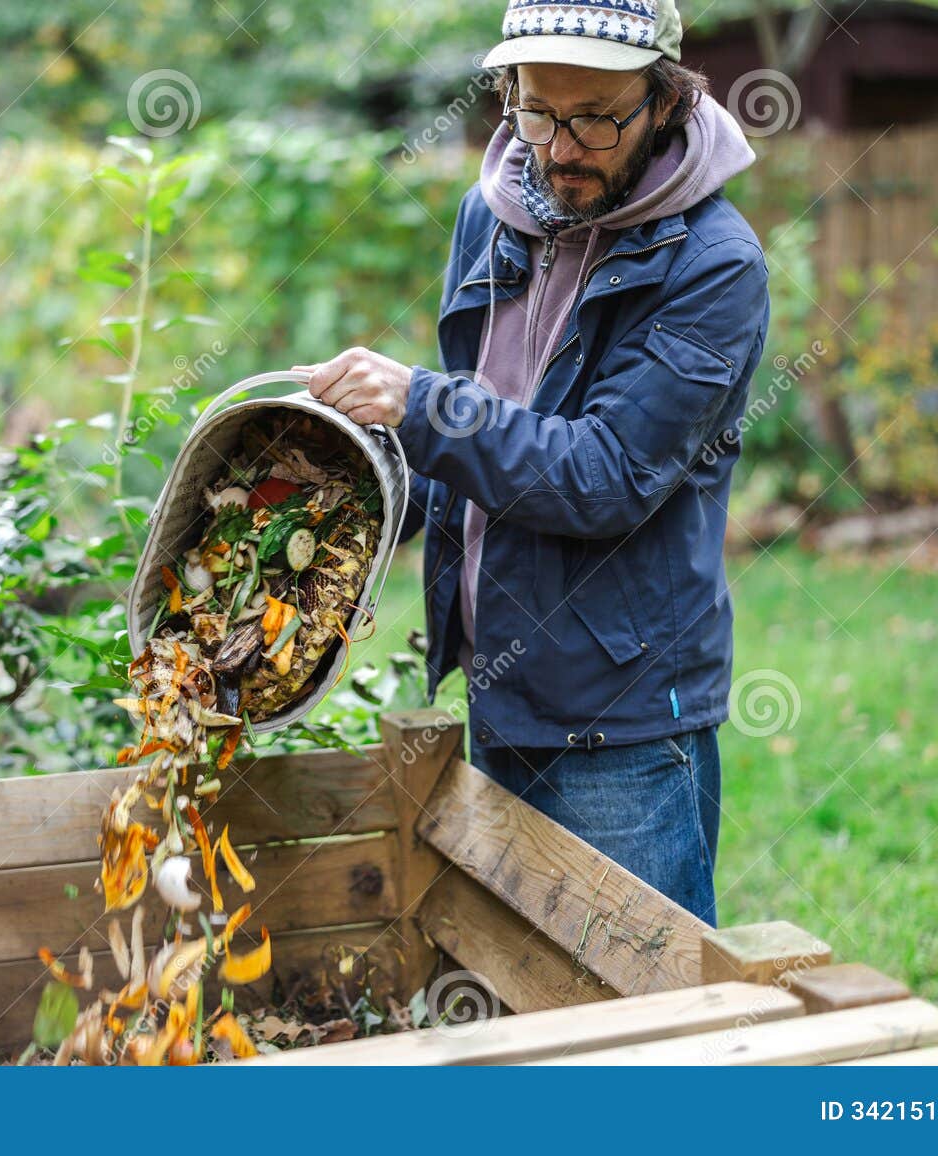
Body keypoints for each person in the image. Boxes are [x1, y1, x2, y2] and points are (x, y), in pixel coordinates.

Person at [297, 0, 769, 924]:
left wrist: (423, 404)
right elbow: (483, 443)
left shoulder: (714, 265)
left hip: (622, 717)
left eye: (595, 117)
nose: (558, 148)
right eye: (536, 111)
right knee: (523, 982)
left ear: (666, 100)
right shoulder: (495, 214)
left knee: (645, 1016)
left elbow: (606, 474)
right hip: (502, 681)